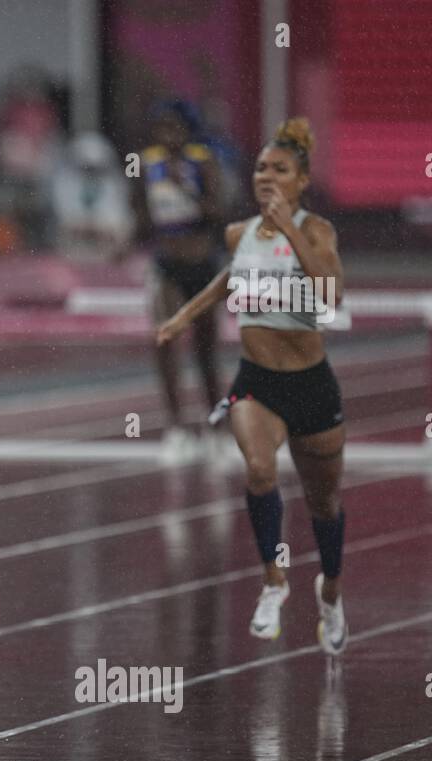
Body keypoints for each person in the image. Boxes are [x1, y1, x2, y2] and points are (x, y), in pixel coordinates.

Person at [157, 117, 349, 655]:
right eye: (262, 168)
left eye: (280, 170)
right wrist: (180, 318)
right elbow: (227, 281)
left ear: (301, 180)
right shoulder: (238, 235)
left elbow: (331, 295)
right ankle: (273, 582)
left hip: (311, 385)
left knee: (324, 502)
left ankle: (330, 591)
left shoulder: (316, 231)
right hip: (256, 380)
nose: (267, 177)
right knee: (261, 469)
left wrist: (288, 228)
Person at [136, 100, 223, 456]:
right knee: (165, 341)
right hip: (166, 265)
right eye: (162, 129)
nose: (168, 136)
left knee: (205, 351)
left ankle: (216, 427)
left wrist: (185, 188)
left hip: (201, 264)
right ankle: (176, 427)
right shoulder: (147, 164)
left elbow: (219, 211)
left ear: (188, 131)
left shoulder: (203, 162)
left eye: (175, 128)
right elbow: (141, 212)